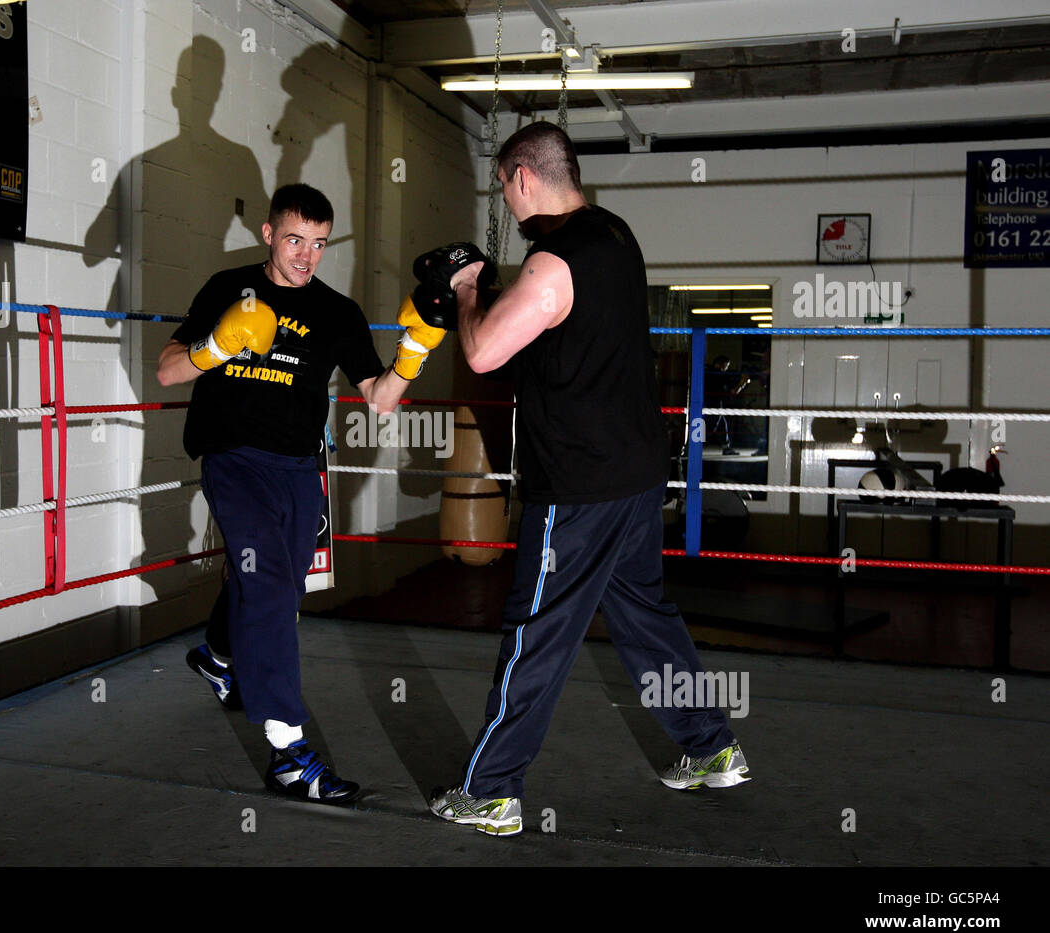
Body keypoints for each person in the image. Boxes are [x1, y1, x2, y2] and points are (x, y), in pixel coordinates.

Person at [425, 122, 750, 837]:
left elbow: (481, 352)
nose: (508, 207)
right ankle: (711, 747)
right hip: (634, 475)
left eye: (505, 190)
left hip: (578, 486)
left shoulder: (552, 261)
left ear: (521, 177)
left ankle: (492, 790)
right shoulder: (614, 234)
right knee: (645, 618)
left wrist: (469, 288)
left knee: (537, 630)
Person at [157, 183, 445, 803]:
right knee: (268, 591)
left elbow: (381, 398)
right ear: (267, 234)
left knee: (274, 581)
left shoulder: (337, 312)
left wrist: (415, 349)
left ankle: (218, 655)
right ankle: (289, 753)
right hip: (233, 459)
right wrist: (217, 346)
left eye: (318, 244)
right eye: (294, 240)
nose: (306, 256)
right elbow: (168, 369)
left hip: (297, 468)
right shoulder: (226, 287)